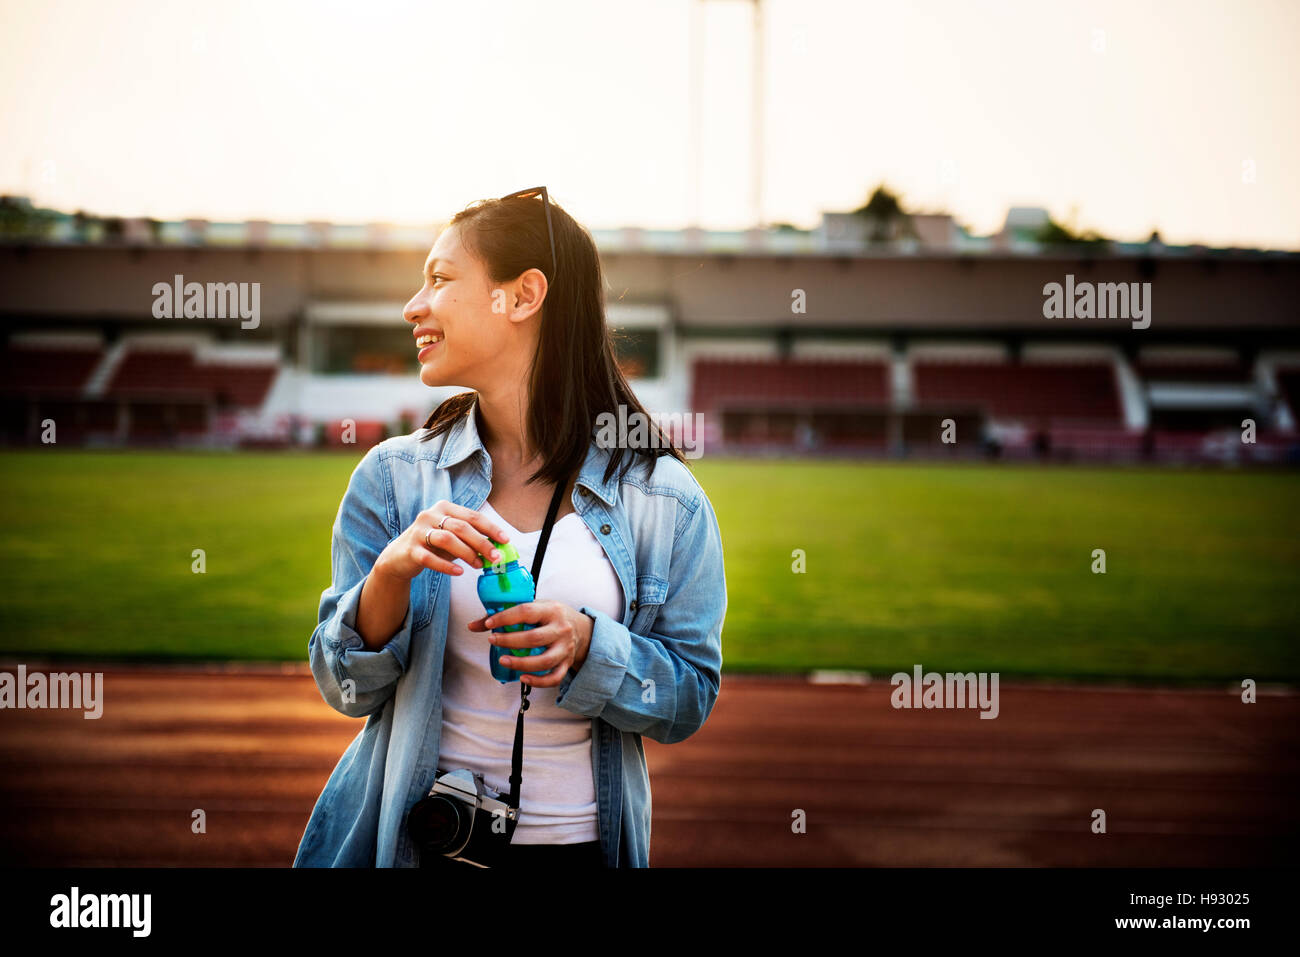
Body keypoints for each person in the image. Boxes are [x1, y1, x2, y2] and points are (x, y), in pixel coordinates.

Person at [293, 187, 727, 868]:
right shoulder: (391, 479)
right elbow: (345, 688)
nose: (413, 306)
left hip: (583, 850)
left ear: (522, 296)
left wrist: (590, 646)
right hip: (421, 847)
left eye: (438, 279)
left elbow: (688, 699)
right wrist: (389, 576)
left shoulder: (666, 498)